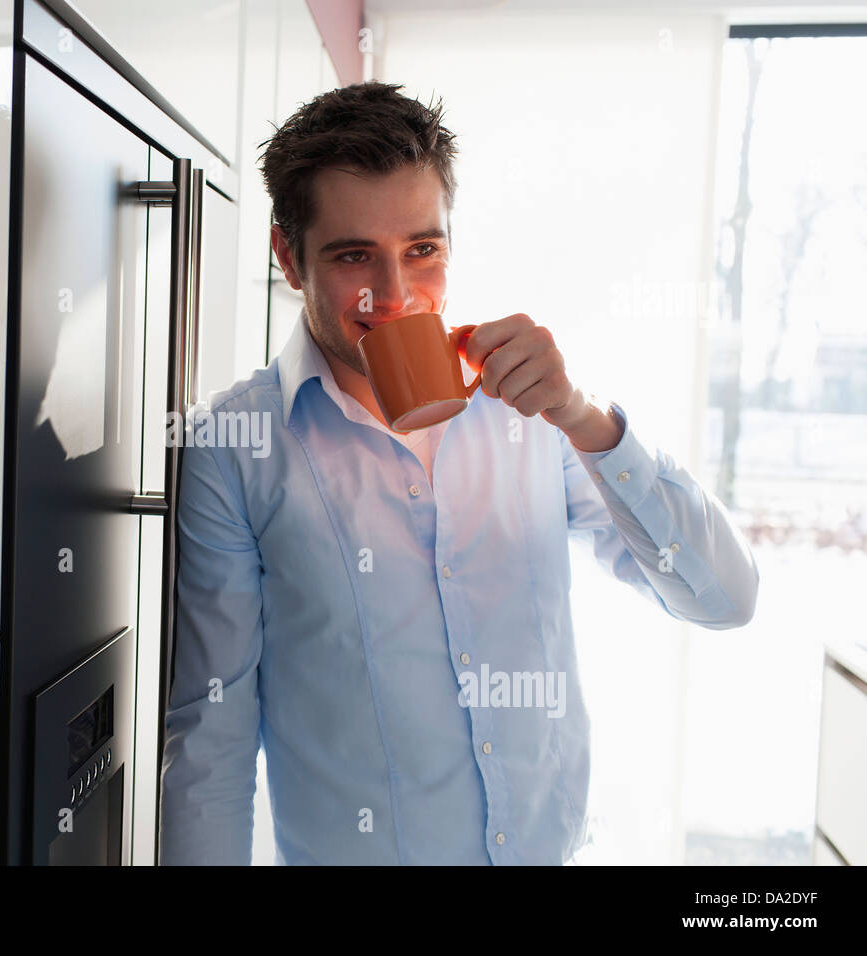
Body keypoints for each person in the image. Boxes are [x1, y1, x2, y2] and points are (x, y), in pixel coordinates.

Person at [157, 82, 759, 865]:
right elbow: (211, 742)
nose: (397, 295)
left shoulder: (535, 410)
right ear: (288, 258)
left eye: (422, 250)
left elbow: (724, 600)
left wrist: (586, 419)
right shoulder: (232, 450)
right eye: (352, 256)